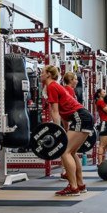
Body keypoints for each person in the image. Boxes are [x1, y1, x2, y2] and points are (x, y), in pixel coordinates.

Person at [42, 65, 94, 196]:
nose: (40, 74)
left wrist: (57, 131)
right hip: (83, 117)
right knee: (72, 152)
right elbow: (63, 112)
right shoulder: (56, 86)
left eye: (42, 72)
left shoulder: (52, 86)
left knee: (64, 151)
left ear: (48, 74)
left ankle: (73, 187)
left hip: (80, 117)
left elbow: (55, 111)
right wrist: (64, 130)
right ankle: (80, 185)